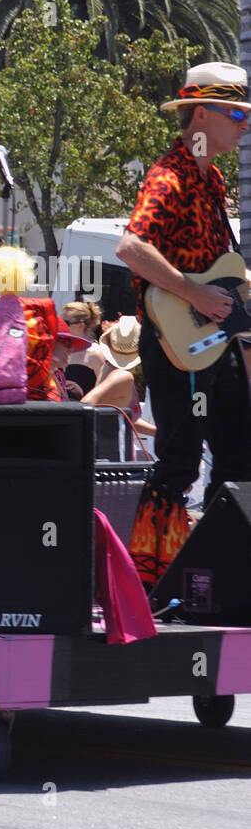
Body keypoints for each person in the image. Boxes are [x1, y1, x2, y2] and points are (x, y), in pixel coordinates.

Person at [116, 61, 251, 585]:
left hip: (215, 341)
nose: (244, 124)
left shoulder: (210, 178)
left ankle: (220, 569)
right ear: (200, 113)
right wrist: (194, 292)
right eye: (236, 113)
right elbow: (131, 246)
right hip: (176, 340)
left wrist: (219, 292)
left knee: (239, 451)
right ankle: (152, 580)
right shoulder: (169, 175)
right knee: (180, 459)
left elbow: (221, 269)